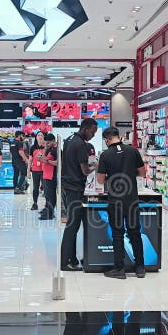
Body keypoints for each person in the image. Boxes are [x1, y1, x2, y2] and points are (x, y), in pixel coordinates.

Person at [96, 127, 147, 279]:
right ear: (119, 136)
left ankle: (119, 269)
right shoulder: (133, 151)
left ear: (107, 140)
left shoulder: (105, 155)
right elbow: (143, 173)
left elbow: (100, 180)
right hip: (131, 199)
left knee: (118, 233)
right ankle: (140, 268)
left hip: (115, 200)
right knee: (135, 232)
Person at [60, 118, 99, 271]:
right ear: (85, 129)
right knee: (72, 225)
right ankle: (65, 262)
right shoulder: (82, 145)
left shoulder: (70, 139)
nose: (93, 135)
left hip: (67, 186)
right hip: (75, 188)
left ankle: (72, 258)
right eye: (93, 132)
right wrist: (96, 165)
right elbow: (85, 170)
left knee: (73, 224)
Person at [38, 133, 58, 220]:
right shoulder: (49, 149)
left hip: (51, 176)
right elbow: (45, 158)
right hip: (46, 175)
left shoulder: (56, 150)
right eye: (45, 143)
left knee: (51, 196)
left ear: (53, 141)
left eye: (48, 143)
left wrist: (47, 161)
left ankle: (50, 213)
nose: (46, 144)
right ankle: (48, 211)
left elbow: (58, 163)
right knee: (47, 195)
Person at [29, 131, 46, 210]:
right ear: (36, 137)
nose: (40, 136)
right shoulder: (32, 147)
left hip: (44, 170)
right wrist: (28, 171)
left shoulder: (46, 147)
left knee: (45, 188)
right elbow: (30, 160)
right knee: (35, 188)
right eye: (38, 135)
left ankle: (47, 205)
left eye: (41, 135)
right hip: (35, 170)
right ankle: (35, 203)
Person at [11, 131, 29, 195]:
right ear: (19, 136)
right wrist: (26, 159)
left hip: (14, 161)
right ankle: (18, 188)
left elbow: (11, 153)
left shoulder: (12, 143)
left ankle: (15, 188)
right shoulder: (19, 142)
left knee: (16, 174)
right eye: (22, 135)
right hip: (20, 161)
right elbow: (21, 152)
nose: (23, 137)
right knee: (24, 173)